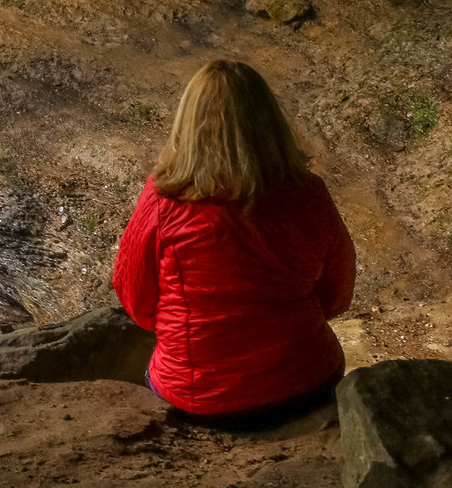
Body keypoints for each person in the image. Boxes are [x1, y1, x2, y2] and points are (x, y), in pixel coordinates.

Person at [112, 59, 356, 426]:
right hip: (308, 382)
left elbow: (136, 300)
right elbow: (338, 295)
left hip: (200, 399)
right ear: (270, 123)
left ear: (188, 125)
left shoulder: (164, 201)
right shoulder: (309, 194)